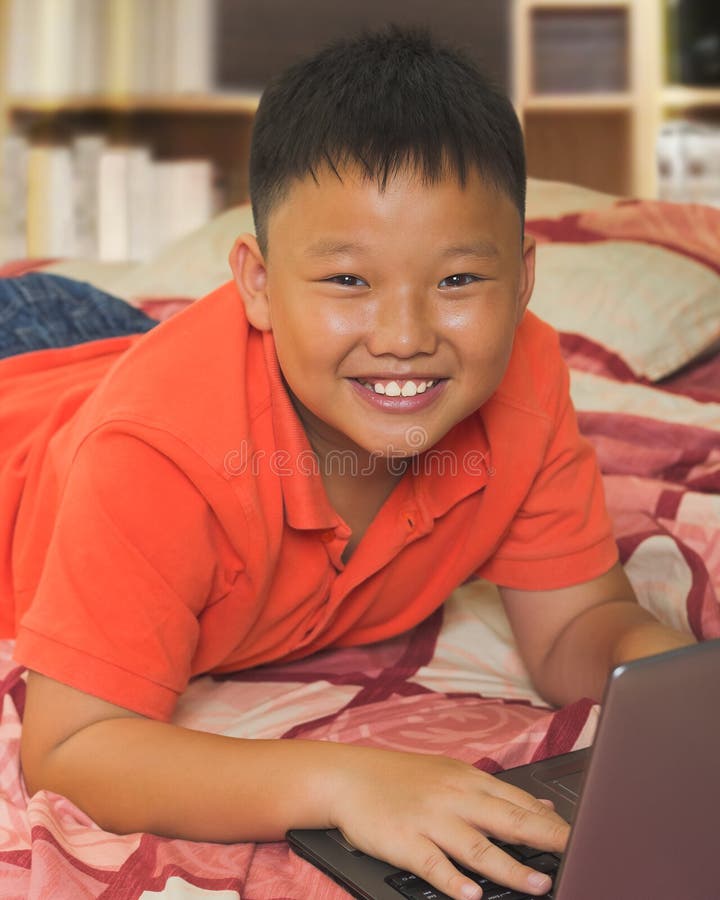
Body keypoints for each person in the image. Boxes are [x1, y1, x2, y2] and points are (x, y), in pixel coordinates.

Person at [0, 28, 693, 900]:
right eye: (346, 282)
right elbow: (72, 747)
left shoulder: (524, 380)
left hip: (111, 361)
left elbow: (573, 628)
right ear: (255, 284)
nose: (404, 339)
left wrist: (680, 695)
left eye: (458, 282)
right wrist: (345, 781)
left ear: (522, 281)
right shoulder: (158, 455)